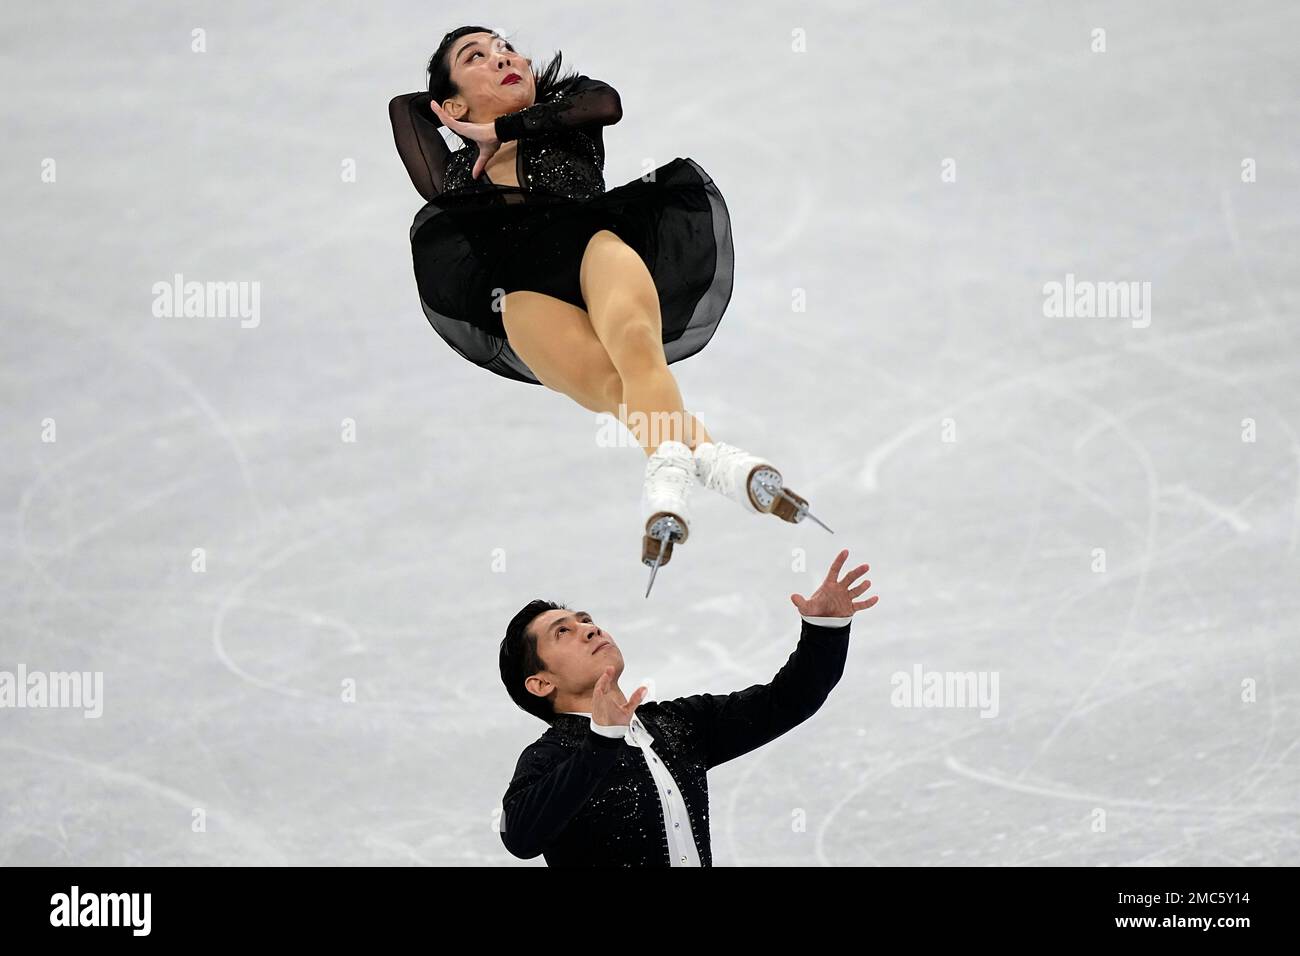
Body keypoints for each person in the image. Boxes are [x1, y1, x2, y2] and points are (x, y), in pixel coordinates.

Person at [389, 27, 830, 593]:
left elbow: (607, 104)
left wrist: (497, 126)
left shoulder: (566, 111)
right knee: (615, 392)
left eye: (506, 48)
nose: (502, 56)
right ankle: (727, 466)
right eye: (477, 57)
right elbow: (404, 109)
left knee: (637, 348)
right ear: (451, 105)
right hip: (521, 291)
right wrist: (464, 130)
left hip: (595, 243)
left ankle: (666, 491)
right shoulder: (452, 175)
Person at [495, 548, 877, 866]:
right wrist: (600, 743)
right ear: (542, 683)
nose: (590, 629)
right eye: (564, 632)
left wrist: (824, 631)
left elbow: (788, 700)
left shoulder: (675, 725)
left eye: (586, 620)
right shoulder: (549, 757)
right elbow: (520, 837)